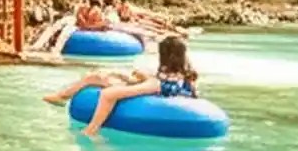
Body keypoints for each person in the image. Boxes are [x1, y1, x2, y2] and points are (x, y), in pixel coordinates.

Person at [44, 36, 199, 138]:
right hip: (153, 85)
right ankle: (62, 96)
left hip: (156, 88)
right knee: (95, 77)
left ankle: (91, 130)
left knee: (107, 94)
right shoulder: (180, 71)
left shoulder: (180, 75)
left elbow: (163, 85)